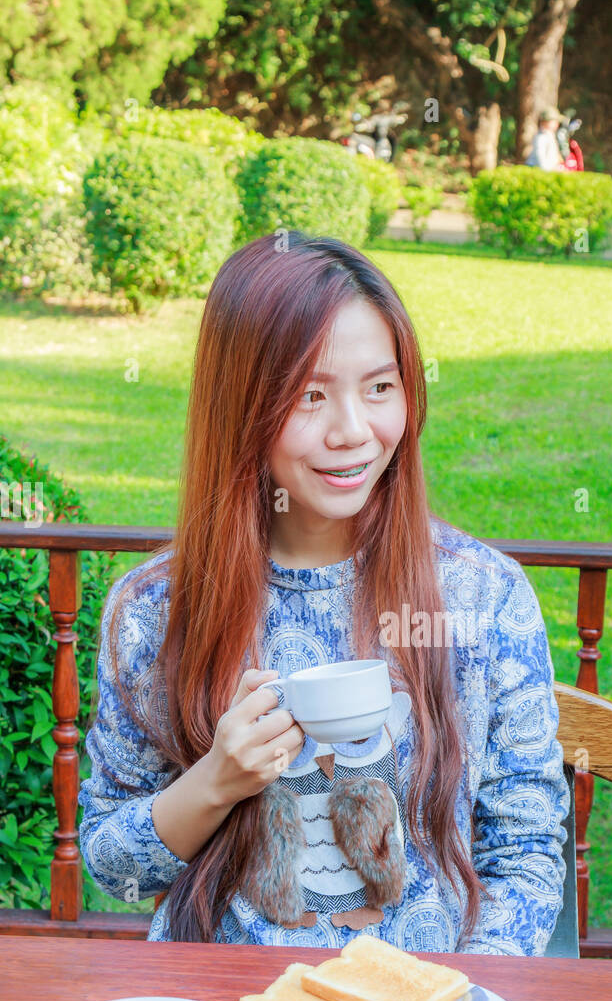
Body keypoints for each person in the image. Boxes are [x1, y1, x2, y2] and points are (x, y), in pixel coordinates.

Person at [78, 232, 570, 954]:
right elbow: (114, 873)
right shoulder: (154, 609)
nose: (354, 432)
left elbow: (525, 853)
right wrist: (217, 780)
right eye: (310, 394)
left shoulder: (482, 594)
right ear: (239, 406)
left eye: (380, 387)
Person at [526, 107, 564, 171]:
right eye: (555, 121)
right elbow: (541, 161)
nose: (557, 124)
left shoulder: (550, 136)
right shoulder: (541, 137)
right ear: (545, 122)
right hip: (536, 170)